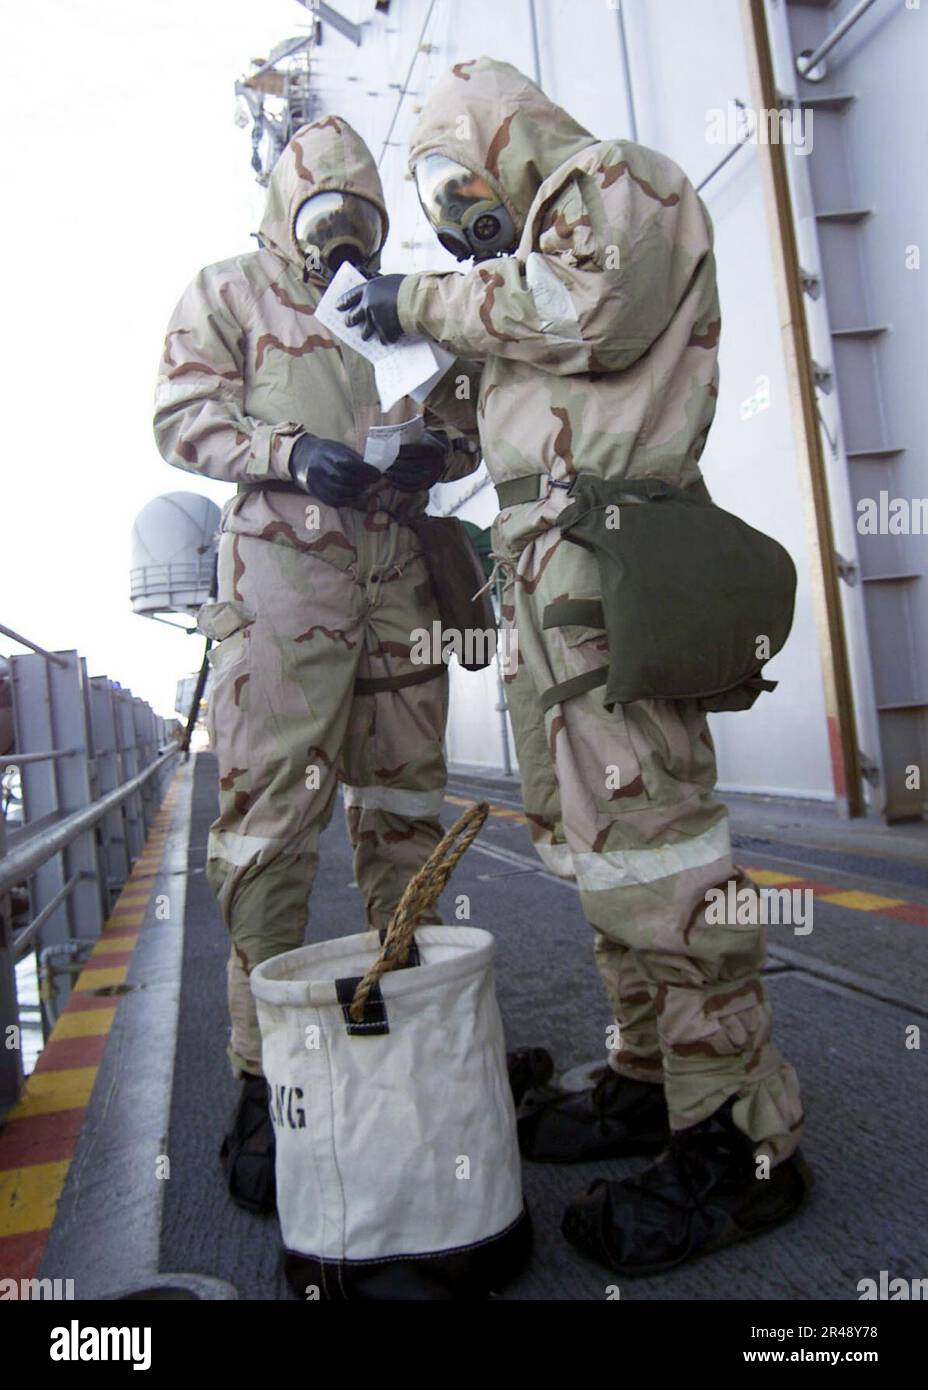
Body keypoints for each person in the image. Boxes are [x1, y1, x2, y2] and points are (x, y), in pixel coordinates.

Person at [339, 57, 810, 1277]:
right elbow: (512, 380)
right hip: (547, 574)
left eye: (457, 175)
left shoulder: (616, 185)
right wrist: (412, 439)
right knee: (598, 851)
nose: (452, 210)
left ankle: (743, 1133)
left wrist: (422, 301)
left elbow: (586, 314)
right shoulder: (523, 271)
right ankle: (660, 1077)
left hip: (609, 556)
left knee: (655, 843)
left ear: (509, 139)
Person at [154, 115, 481, 1214]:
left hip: (397, 578)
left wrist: (444, 449)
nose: (343, 239)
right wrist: (290, 452)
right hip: (283, 589)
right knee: (267, 827)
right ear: (284, 211)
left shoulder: (401, 306)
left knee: (402, 806)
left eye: (359, 218)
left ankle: (404, 1009)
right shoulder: (230, 290)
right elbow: (181, 414)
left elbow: (465, 416)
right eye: (322, 217)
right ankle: (262, 1074)